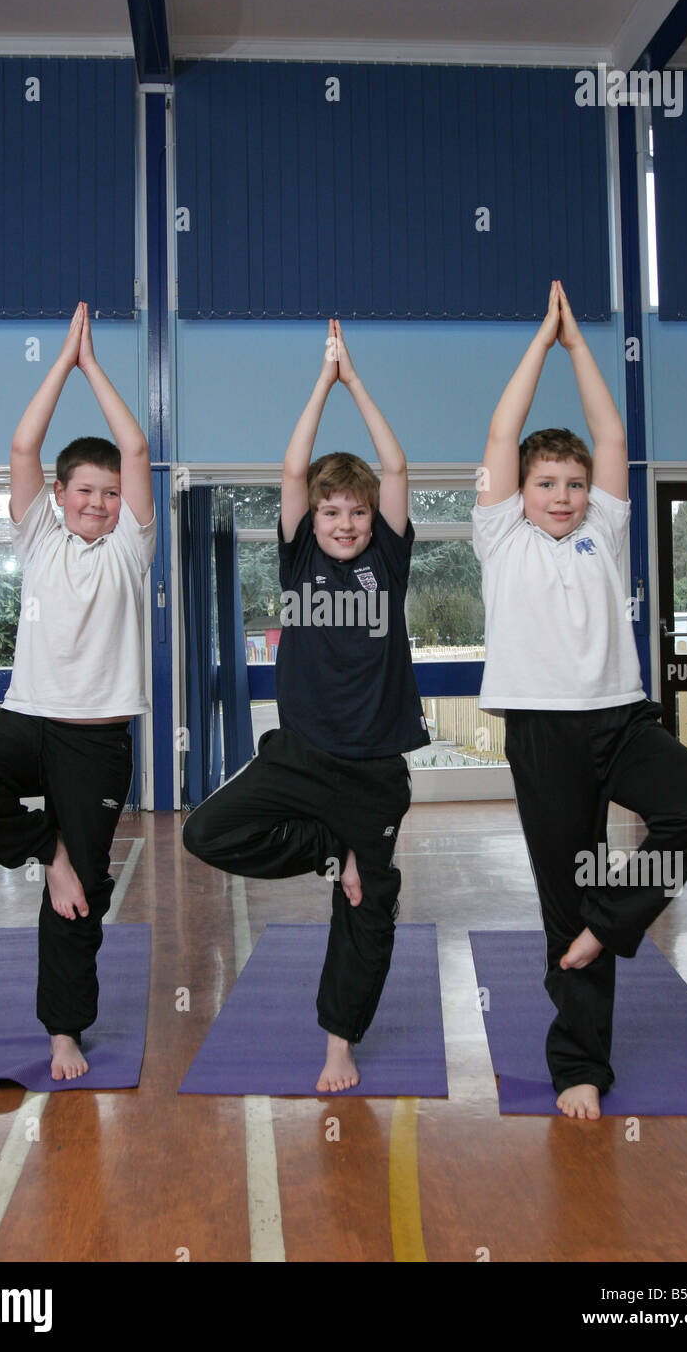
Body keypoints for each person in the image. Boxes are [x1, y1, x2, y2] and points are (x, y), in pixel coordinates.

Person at [473, 280, 687, 1119]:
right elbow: (500, 431)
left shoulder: (606, 529)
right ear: (521, 490)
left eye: (573, 484)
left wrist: (583, 346)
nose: (561, 495)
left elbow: (615, 432)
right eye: (546, 482)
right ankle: (580, 1066)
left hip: (620, 718)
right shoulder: (501, 533)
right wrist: (538, 344)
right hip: (542, 735)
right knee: (564, 899)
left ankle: (613, 921)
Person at [182, 319, 429, 1092]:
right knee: (207, 831)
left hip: (375, 769)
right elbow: (293, 469)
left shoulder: (388, 561)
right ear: (312, 520)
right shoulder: (298, 561)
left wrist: (357, 381)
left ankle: (338, 1045)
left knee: (369, 912)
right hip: (300, 756)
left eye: (357, 512)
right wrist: (321, 384)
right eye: (333, 513)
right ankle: (333, 850)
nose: (347, 524)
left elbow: (394, 463)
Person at [0, 302, 156, 1082]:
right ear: (58, 495)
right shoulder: (38, 536)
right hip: (29, 723)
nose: (98, 503)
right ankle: (43, 851)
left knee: (80, 899)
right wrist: (62, 363)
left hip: (97, 740)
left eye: (110, 493)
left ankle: (65, 1032)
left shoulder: (131, 548)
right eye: (84, 491)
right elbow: (23, 443)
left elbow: (137, 442)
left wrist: (98, 369)